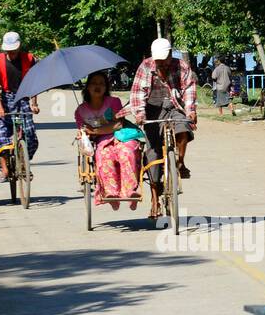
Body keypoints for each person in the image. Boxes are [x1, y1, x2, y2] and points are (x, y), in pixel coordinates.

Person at [129, 38, 197, 211]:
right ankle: (154, 198)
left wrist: (190, 110)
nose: (162, 64)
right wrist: (140, 114)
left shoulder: (181, 66)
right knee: (153, 153)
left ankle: (180, 163)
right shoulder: (145, 66)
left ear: (170, 54)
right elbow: (138, 92)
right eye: (158, 60)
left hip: (174, 106)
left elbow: (189, 88)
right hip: (151, 109)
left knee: (183, 128)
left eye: (164, 60)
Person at [75, 70, 141, 210]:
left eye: (101, 84)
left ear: (106, 87)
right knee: (104, 155)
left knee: (127, 152)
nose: (97, 86)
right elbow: (83, 131)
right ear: (87, 87)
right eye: (93, 83)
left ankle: (130, 192)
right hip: (102, 141)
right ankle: (111, 194)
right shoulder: (80, 111)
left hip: (122, 136)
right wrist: (85, 133)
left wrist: (95, 130)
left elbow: (118, 124)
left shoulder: (114, 102)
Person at [0, 31, 39, 182]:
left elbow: (34, 82)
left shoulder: (29, 59)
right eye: (8, 50)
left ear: (19, 47)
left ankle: (24, 163)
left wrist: (34, 103)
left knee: (30, 135)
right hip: (6, 98)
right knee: (2, 134)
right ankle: (4, 169)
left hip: (23, 97)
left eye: (14, 49)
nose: (11, 52)